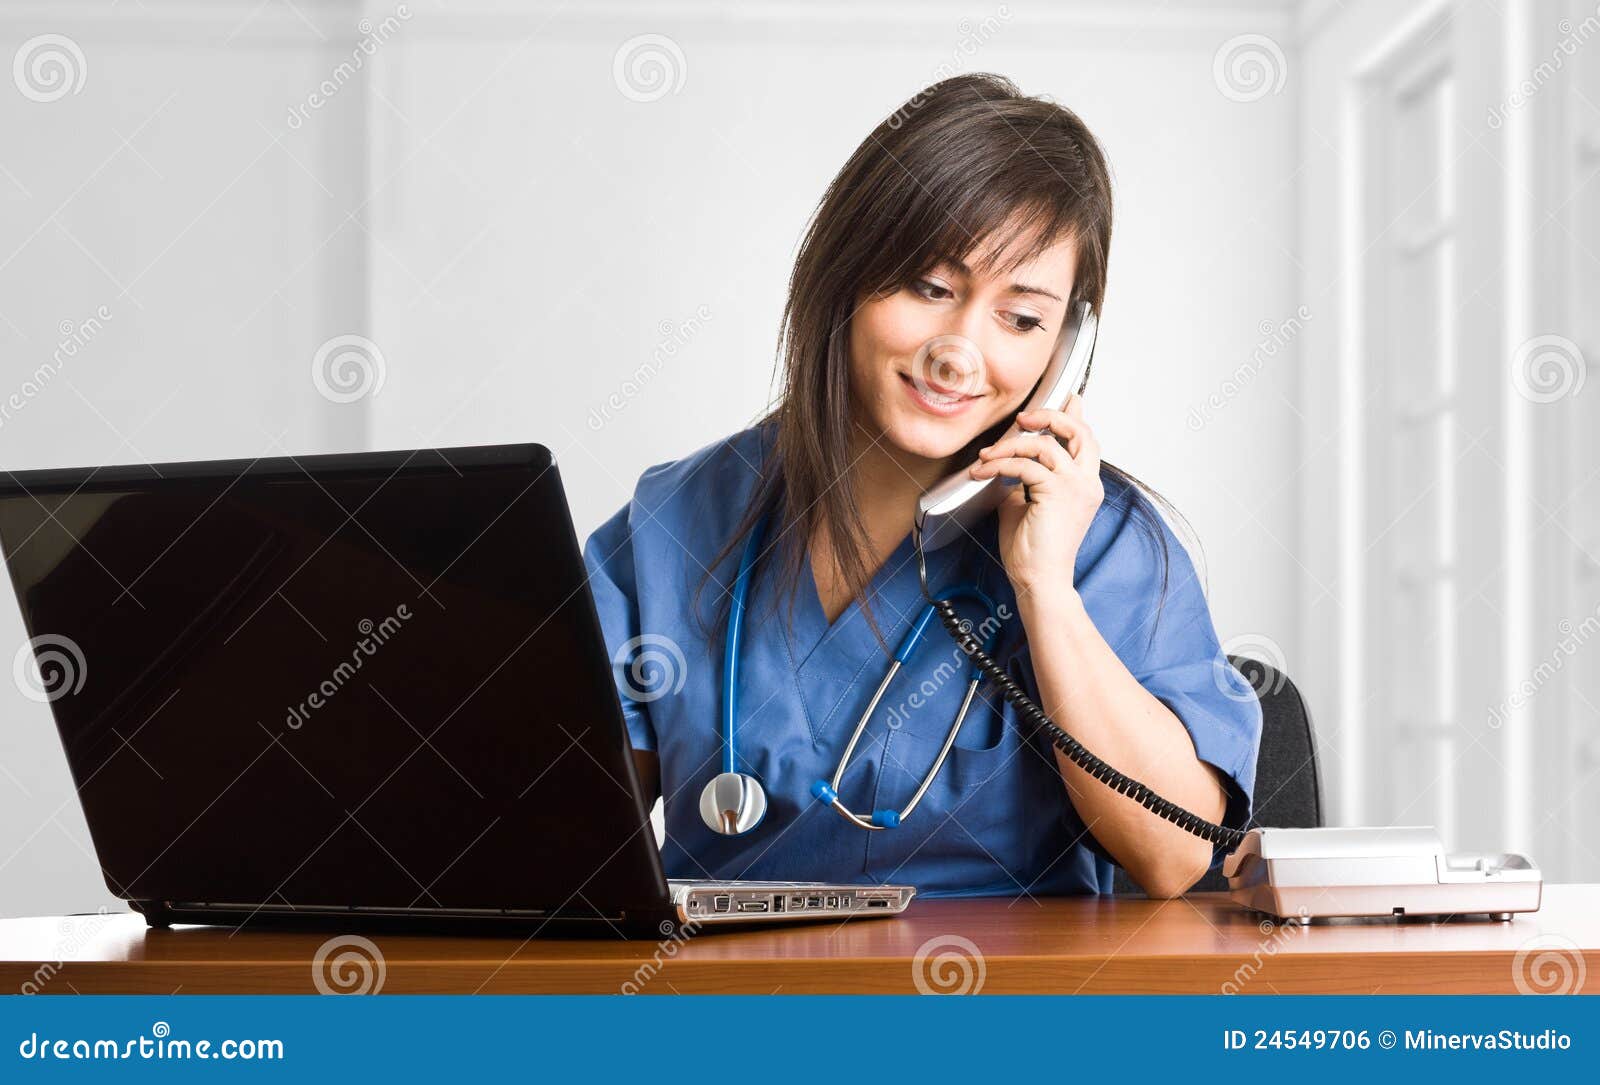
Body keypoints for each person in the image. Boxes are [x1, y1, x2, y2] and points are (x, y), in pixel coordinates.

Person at [584, 73, 1261, 899]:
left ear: (1066, 350)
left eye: (1021, 319)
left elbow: (1175, 853)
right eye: (930, 288)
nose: (958, 351)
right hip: (717, 980)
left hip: (1011, 984)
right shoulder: (675, 521)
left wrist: (1045, 590)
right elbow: (560, 832)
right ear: (844, 274)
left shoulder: (1103, 541)